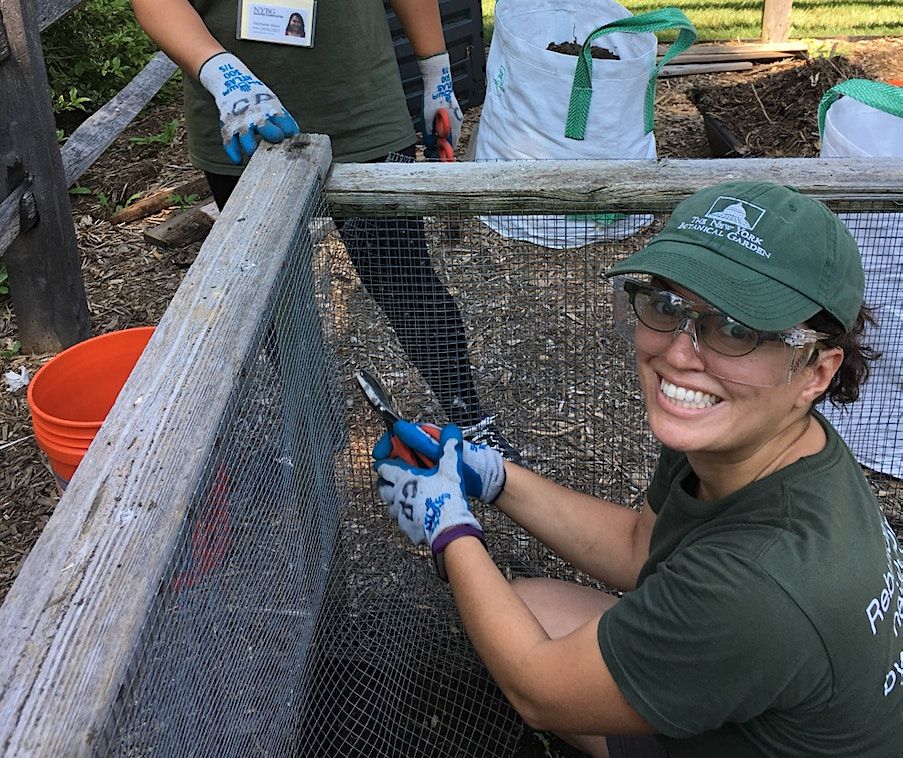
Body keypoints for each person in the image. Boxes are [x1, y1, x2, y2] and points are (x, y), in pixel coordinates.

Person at [372, 181, 902, 756]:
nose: (678, 354)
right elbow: (638, 548)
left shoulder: (755, 586)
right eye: (667, 305)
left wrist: (446, 524)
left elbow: (537, 690)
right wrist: (491, 476)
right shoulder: (758, 436)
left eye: (737, 331)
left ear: (817, 371)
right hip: (754, 704)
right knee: (525, 606)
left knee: (521, 639)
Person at [130, 0, 519, 455]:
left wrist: (437, 72)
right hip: (242, 122)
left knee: (407, 283)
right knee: (275, 296)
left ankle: (469, 420)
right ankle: (315, 420)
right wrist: (220, 72)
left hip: (362, 109)